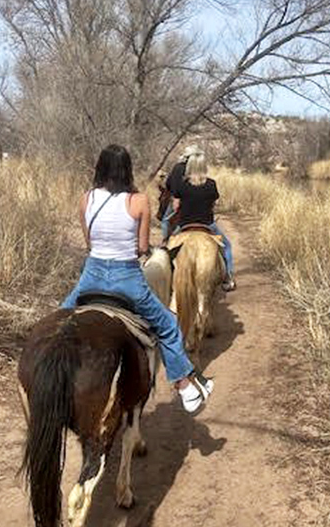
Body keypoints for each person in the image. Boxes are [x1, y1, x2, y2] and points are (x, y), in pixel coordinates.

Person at [61, 144, 213, 414]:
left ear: (100, 168)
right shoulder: (139, 200)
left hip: (91, 276)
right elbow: (142, 248)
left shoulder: (86, 199)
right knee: (168, 324)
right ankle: (184, 386)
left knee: (59, 322)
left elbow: (89, 242)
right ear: (127, 170)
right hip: (126, 279)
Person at [172, 149, 236, 291]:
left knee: (167, 247)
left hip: (185, 225)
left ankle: (168, 275)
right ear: (203, 166)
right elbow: (213, 203)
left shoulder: (182, 185)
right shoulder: (211, 184)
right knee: (227, 246)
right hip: (207, 225)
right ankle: (228, 277)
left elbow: (176, 206)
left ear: (189, 167)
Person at [159, 144, 201, 240]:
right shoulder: (198, 170)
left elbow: (168, 184)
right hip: (194, 202)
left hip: (176, 200)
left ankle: (166, 242)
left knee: (165, 221)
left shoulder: (177, 167)